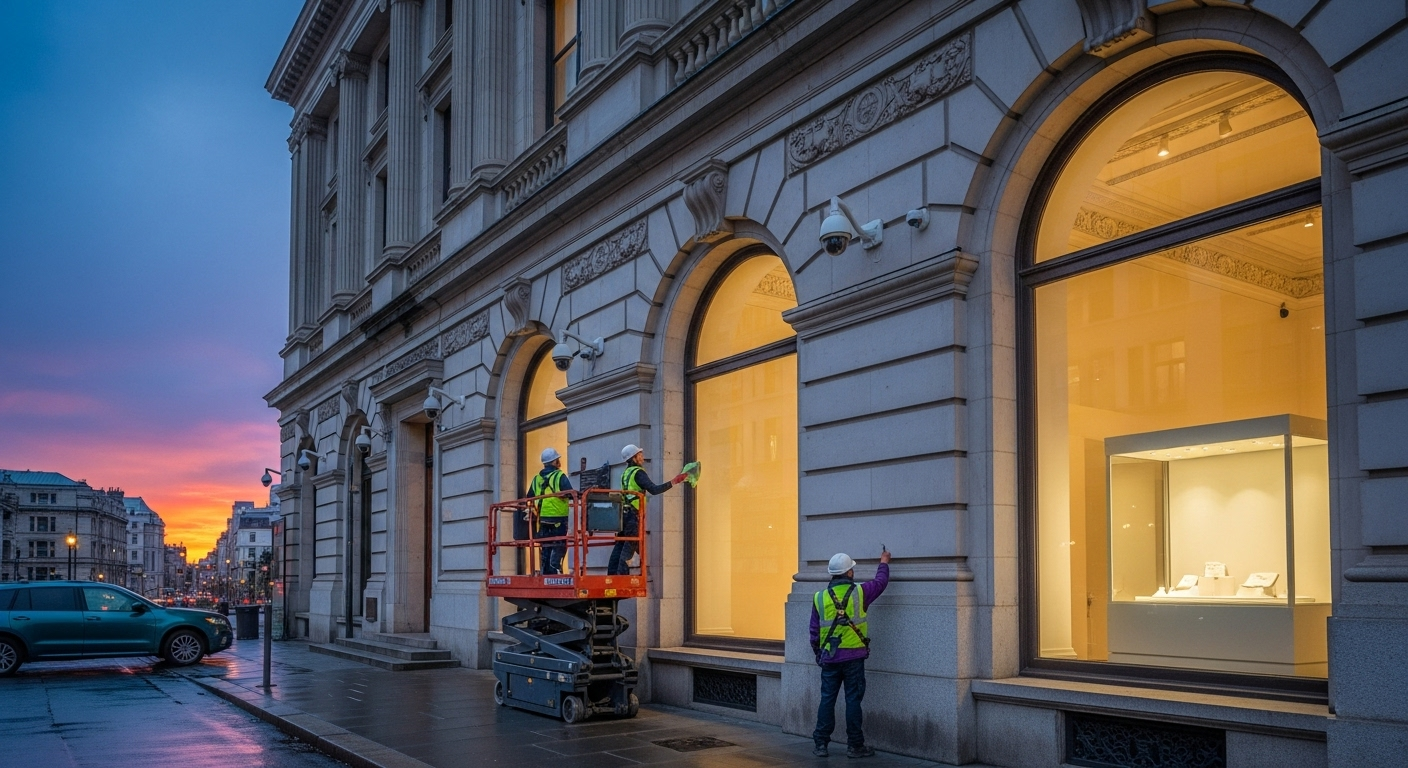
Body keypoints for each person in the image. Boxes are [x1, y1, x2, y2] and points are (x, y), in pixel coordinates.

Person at [810, 548, 890, 759]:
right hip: (853, 658)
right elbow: (881, 583)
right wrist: (884, 562)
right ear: (850, 573)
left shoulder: (819, 597)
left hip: (830, 657)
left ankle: (820, 744)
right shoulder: (860, 592)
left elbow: (814, 632)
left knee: (827, 699)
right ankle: (855, 746)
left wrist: (819, 654)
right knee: (853, 700)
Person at [607, 444, 686, 575]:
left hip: (624, 515)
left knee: (620, 545)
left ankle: (611, 575)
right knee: (629, 547)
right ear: (633, 458)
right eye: (639, 454)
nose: (642, 457)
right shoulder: (638, 472)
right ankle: (621, 578)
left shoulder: (625, 473)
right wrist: (674, 481)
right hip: (633, 515)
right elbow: (654, 490)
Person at [527, 447, 573, 575]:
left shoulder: (537, 479)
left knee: (546, 547)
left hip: (542, 520)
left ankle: (545, 573)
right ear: (554, 462)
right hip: (558, 518)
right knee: (559, 545)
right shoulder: (559, 476)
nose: (559, 462)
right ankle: (554, 571)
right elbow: (570, 494)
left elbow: (529, 496)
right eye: (557, 459)